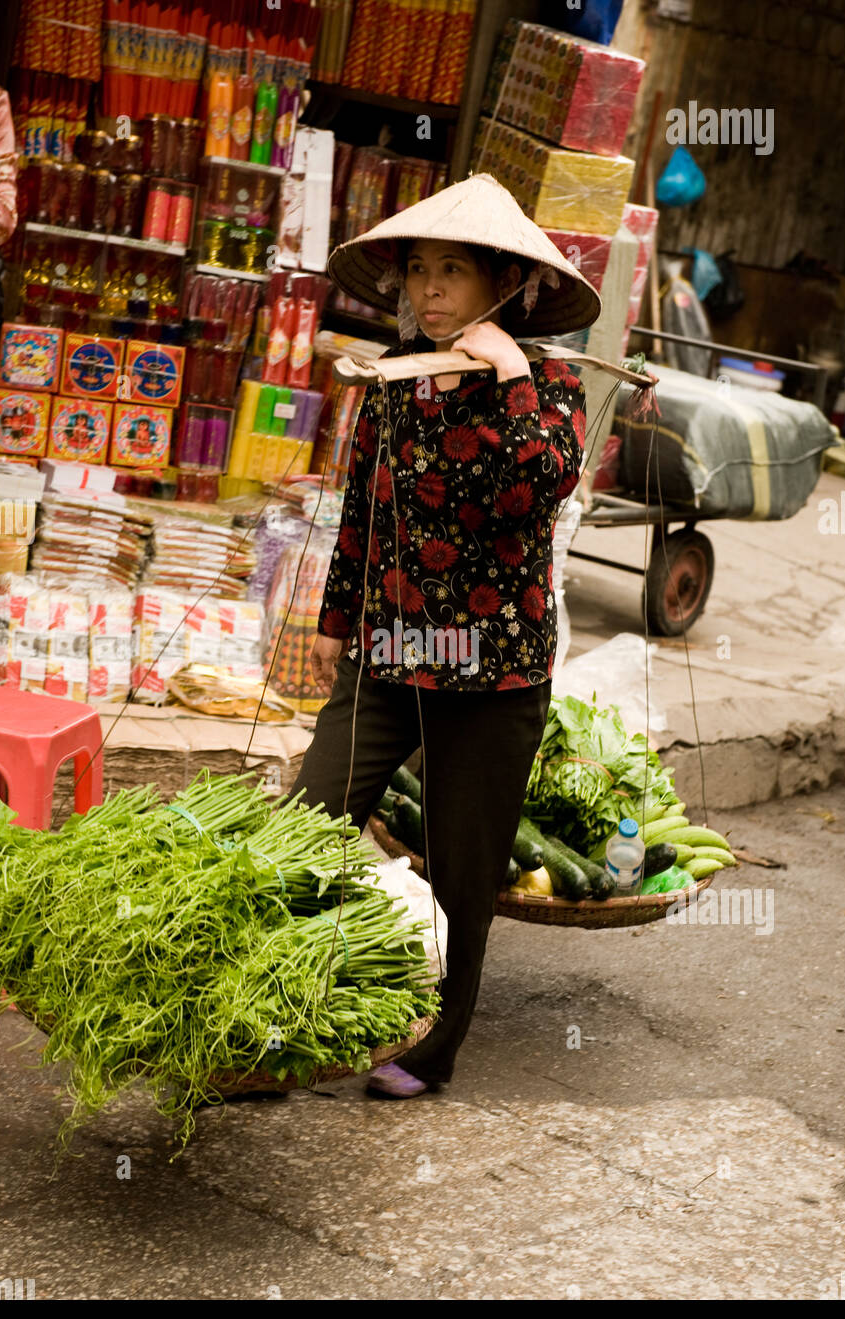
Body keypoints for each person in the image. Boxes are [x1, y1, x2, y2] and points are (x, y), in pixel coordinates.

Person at [289, 173, 601, 1098]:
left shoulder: (547, 387)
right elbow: (362, 513)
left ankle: (432, 1048)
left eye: (450, 273)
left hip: (493, 672)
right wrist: (334, 624)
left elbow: (530, 494)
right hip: (391, 653)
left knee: (464, 875)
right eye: (417, 271)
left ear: (500, 284)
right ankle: (280, 1002)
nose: (427, 291)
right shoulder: (393, 384)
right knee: (307, 819)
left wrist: (504, 372)